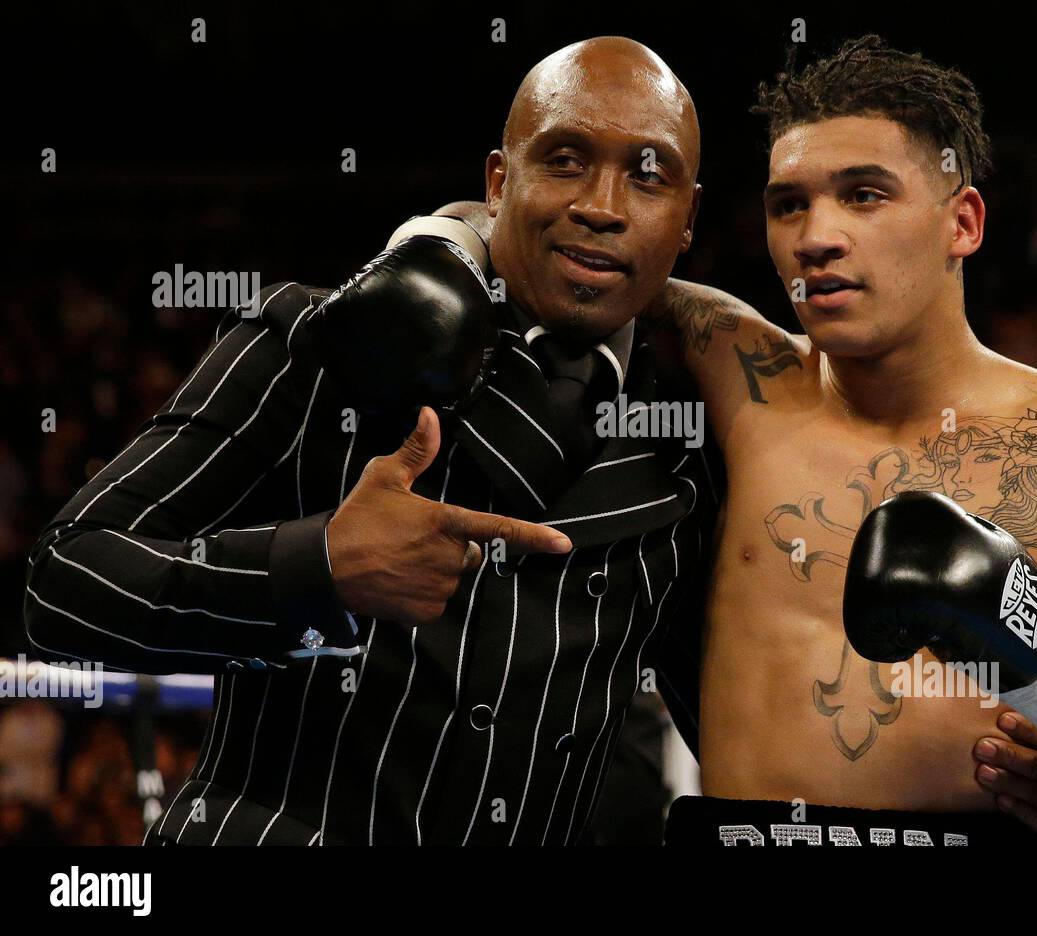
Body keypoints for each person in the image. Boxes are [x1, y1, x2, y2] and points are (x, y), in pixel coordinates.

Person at [24, 36, 715, 845]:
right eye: (564, 159)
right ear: (498, 183)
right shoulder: (315, 340)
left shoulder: (688, 451)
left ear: (689, 218)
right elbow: (64, 579)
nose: (604, 203)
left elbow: (742, 741)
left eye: (648, 173)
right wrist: (316, 568)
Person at [639, 34, 1037, 845]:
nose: (815, 236)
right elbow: (519, 229)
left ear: (962, 222)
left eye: (863, 194)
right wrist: (436, 249)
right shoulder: (734, 371)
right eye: (789, 203)